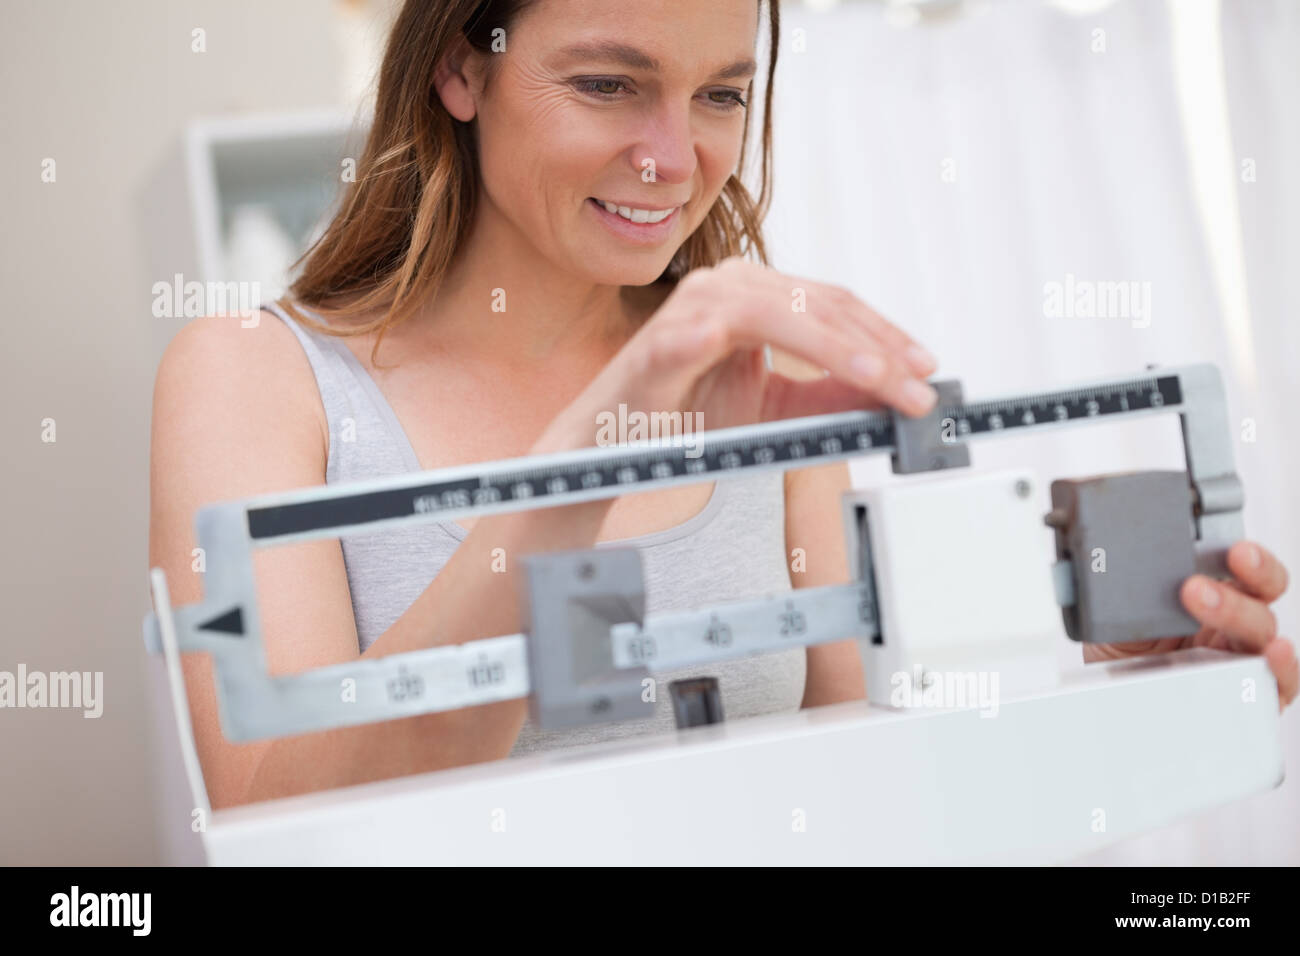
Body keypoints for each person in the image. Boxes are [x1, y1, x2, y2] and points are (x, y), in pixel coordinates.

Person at [148, 0, 1295, 810]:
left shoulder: (754, 397)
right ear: (461, 67)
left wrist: (1132, 707)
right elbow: (270, 823)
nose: (673, 157)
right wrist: (597, 445)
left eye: (718, 95)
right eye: (607, 83)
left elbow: (868, 790)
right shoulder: (256, 376)